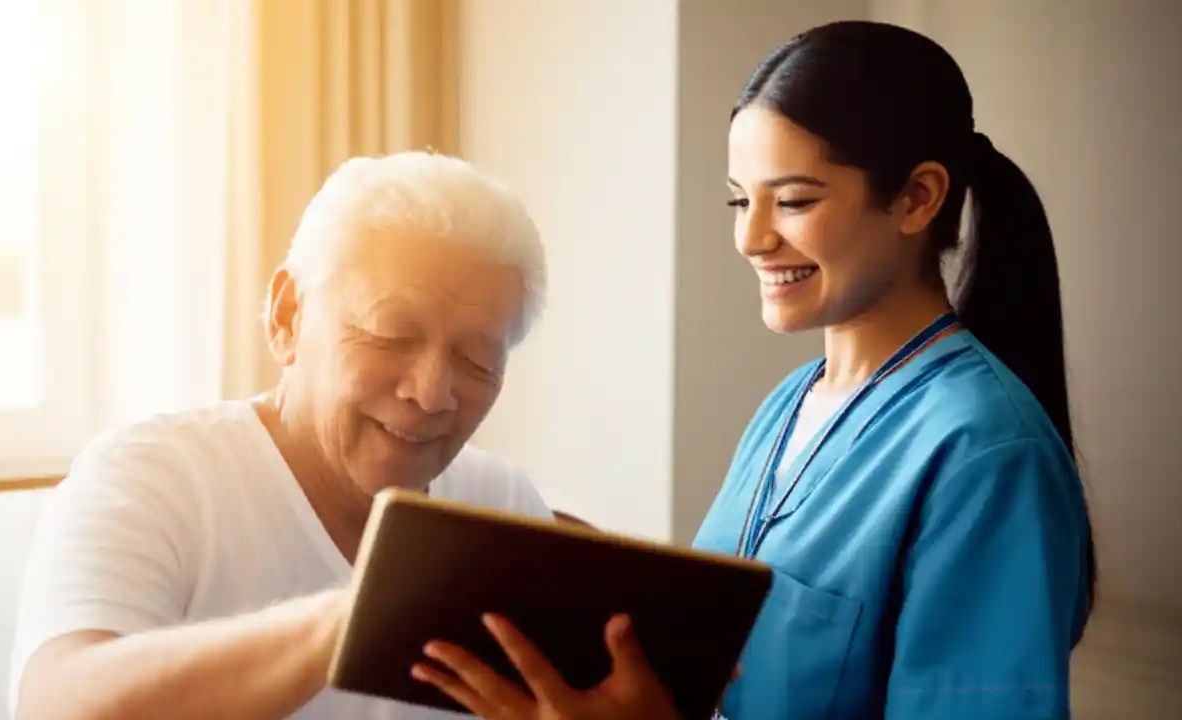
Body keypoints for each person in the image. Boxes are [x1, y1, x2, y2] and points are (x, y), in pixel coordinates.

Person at [410, 21, 1093, 719]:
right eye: (741, 200)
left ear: (917, 197)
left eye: (794, 201)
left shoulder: (985, 454)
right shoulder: (790, 406)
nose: (751, 238)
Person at [10, 152, 557, 720]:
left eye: (477, 360)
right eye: (392, 335)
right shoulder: (154, 478)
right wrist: (355, 616)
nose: (431, 392)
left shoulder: (504, 508)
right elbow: (58, 707)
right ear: (287, 315)